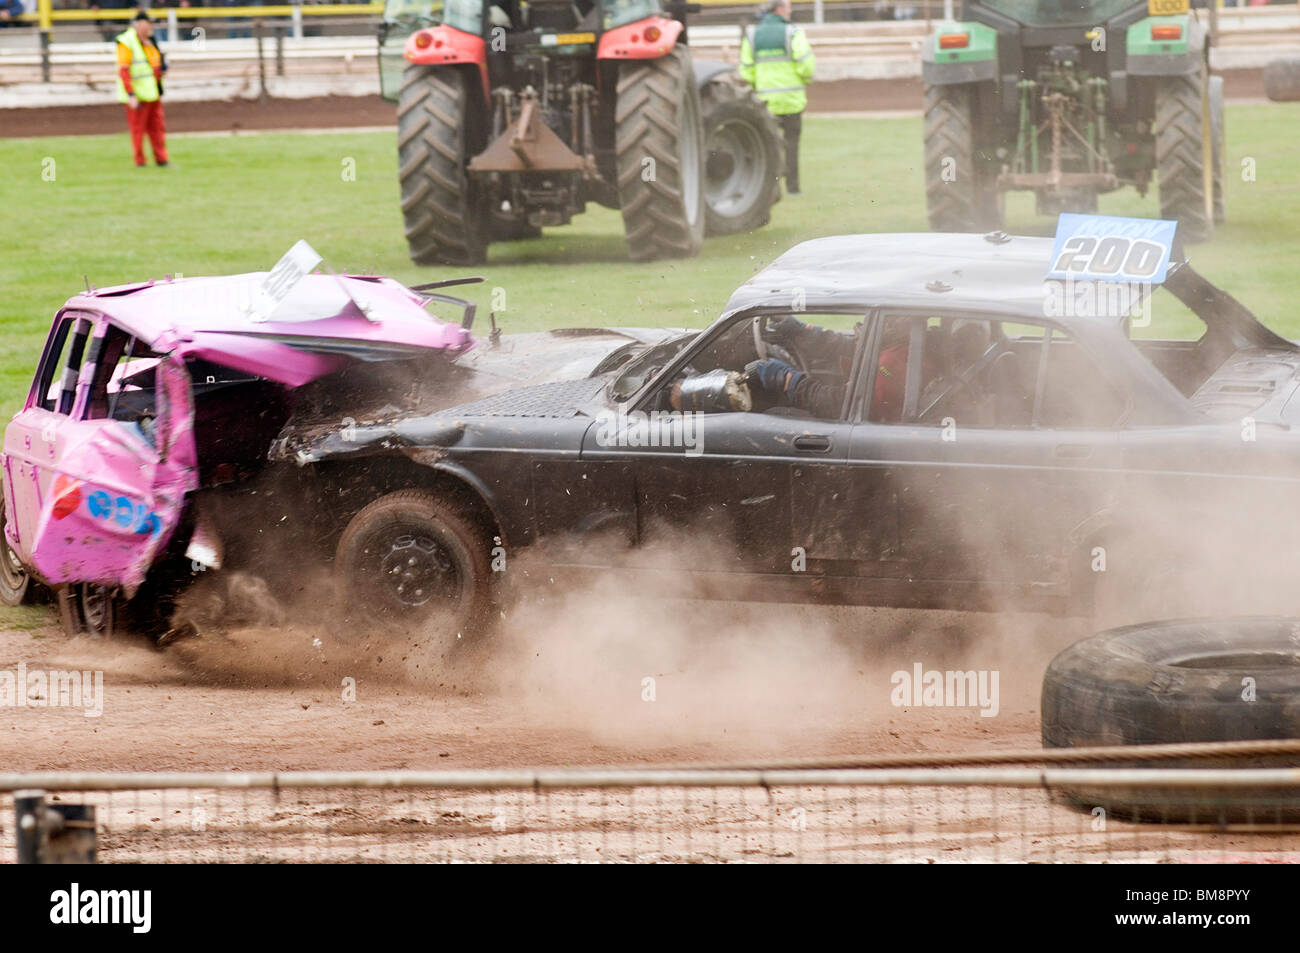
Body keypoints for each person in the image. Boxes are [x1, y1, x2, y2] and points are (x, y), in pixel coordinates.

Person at [739, 0, 815, 195]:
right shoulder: (793, 33)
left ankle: (770, 188)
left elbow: (746, 71)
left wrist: (758, 85)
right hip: (792, 100)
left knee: (767, 147)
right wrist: (805, 79)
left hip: (765, 102)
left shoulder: (752, 35)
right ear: (780, 9)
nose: (790, 11)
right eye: (789, 7)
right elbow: (806, 65)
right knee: (791, 145)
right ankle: (793, 188)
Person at [115, 10, 169, 168]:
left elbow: (156, 64)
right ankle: (140, 161)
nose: (151, 26)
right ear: (139, 23)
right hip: (137, 95)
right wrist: (131, 94)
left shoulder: (151, 41)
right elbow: (124, 70)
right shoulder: (126, 42)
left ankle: (162, 159)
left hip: (152, 93)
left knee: (157, 129)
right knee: (138, 130)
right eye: (148, 22)